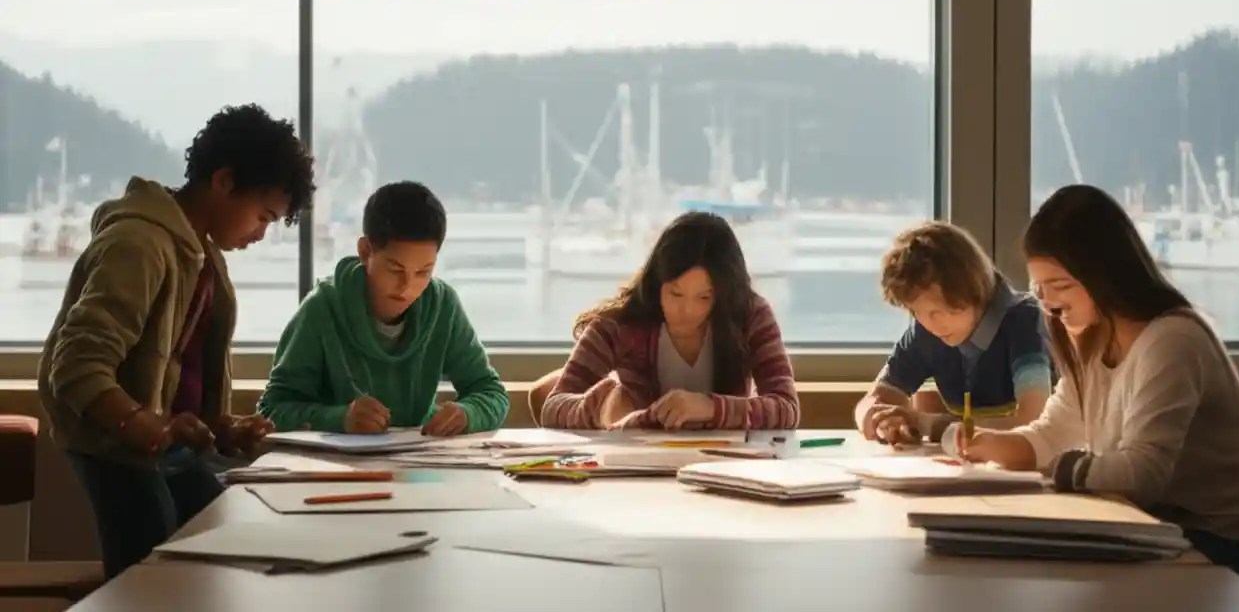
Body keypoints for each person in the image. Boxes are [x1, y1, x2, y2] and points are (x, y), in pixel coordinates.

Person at [957, 184, 1239, 603]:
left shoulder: (1173, 341)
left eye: (1061, 286)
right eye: (1040, 288)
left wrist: (1062, 468)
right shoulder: (1092, 340)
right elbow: (1053, 434)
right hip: (1173, 535)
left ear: (1104, 275)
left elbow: (1142, 474)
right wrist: (990, 445)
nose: (1049, 303)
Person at [37, 103, 316, 579]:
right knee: (151, 575)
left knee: (218, 538)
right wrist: (138, 422)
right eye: (262, 217)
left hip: (163, 443)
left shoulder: (201, 254)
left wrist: (219, 427)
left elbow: (177, 373)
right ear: (225, 182)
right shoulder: (139, 245)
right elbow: (77, 365)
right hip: (116, 445)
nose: (260, 234)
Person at [259, 181, 509, 436]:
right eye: (395, 269)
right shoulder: (321, 309)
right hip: (337, 467)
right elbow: (272, 410)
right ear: (366, 251)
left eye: (424, 272)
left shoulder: (443, 305)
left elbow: (491, 393)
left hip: (419, 460)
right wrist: (338, 418)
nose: (407, 287)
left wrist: (469, 413)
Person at [539, 211, 799, 430]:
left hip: (725, 469)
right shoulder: (619, 326)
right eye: (675, 293)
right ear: (657, 283)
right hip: (638, 469)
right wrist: (601, 408)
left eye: (704, 297)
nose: (687, 309)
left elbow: (786, 408)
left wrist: (710, 407)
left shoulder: (750, 315)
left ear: (724, 295)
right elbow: (552, 408)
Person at [855, 221, 1052, 445]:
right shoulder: (928, 331)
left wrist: (926, 424)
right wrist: (877, 418)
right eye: (916, 311)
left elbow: (1033, 422)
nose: (929, 324)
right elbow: (876, 397)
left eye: (937, 311)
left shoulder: (1026, 321)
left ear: (970, 288)